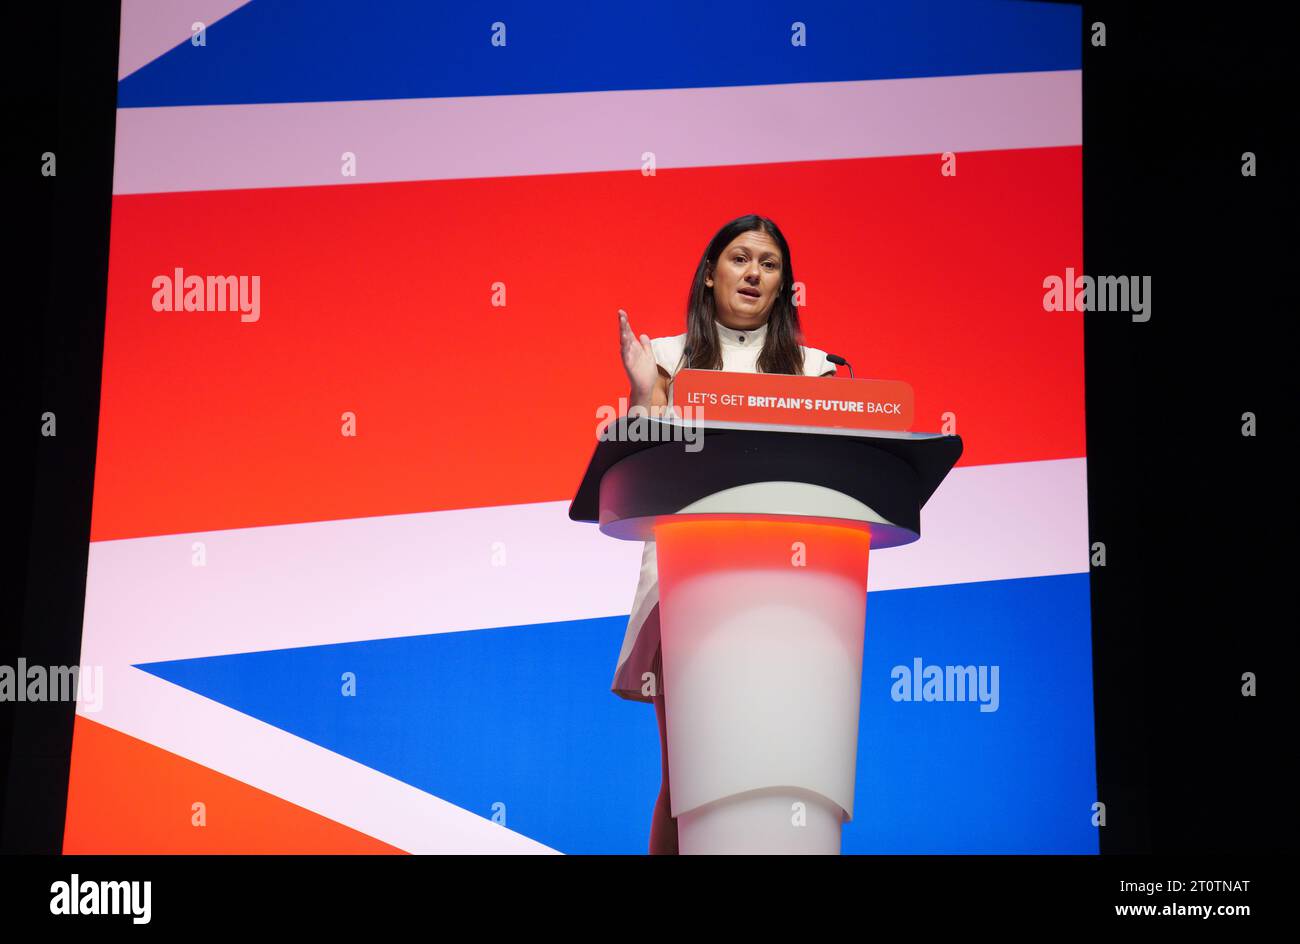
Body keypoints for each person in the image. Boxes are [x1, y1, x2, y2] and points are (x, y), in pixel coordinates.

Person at [613, 214, 838, 854]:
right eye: (740, 258)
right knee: (689, 775)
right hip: (687, 586)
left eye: (769, 265)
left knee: (768, 773)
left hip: (783, 591)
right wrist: (639, 391)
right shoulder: (662, 358)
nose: (753, 273)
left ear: (782, 287)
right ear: (711, 273)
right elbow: (642, 463)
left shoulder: (816, 371)